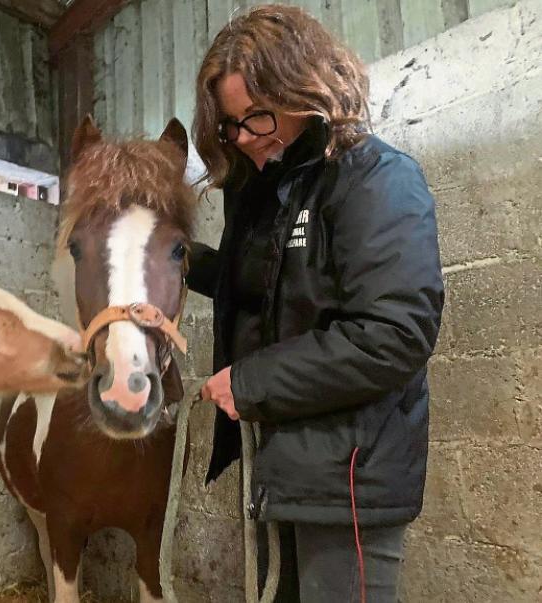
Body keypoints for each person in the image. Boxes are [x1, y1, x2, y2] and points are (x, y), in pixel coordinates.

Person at [187, 5, 444, 602]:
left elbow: (393, 333)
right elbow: (267, 287)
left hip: (349, 476)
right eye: (231, 125)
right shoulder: (271, 192)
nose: (246, 139)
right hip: (284, 467)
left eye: (257, 116)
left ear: (305, 88)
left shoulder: (377, 179)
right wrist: (183, 262)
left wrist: (249, 383)